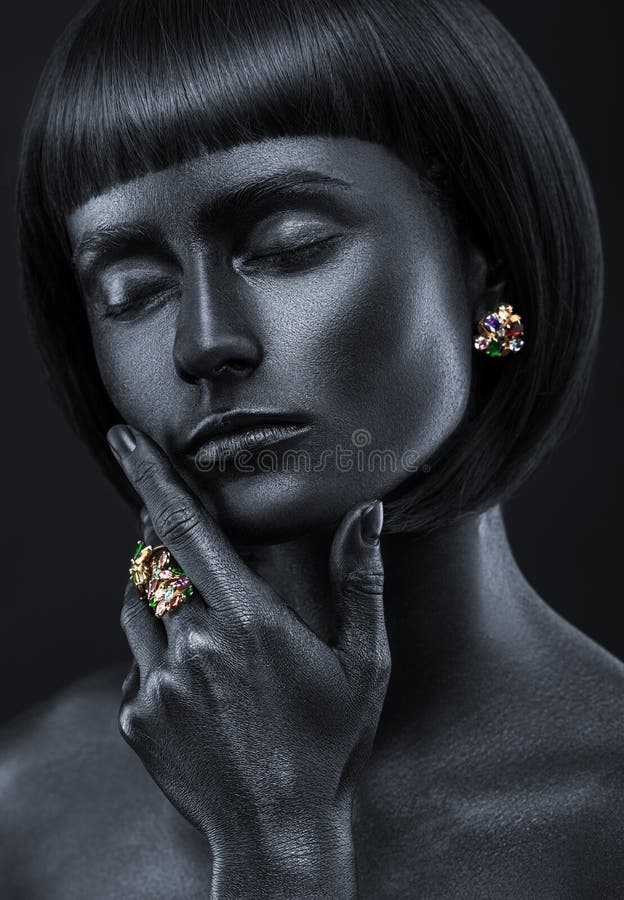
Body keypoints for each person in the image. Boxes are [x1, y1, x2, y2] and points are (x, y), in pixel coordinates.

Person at [2, 0, 622, 896]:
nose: (203, 343)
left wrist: (282, 846)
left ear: (486, 262)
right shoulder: (24, 806)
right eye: (133, 291)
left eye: (291, 247)